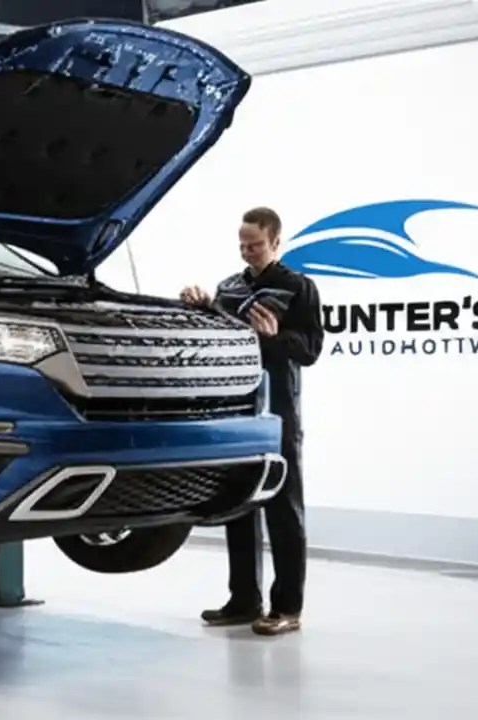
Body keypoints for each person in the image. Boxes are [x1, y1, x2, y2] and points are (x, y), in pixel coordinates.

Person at [179, 207, 324, 636]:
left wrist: (274, 339)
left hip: (276, 412)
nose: (247, 252)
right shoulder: (230, 287)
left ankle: (288, 608)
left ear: (276, 242)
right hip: (234, 412)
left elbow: (310, 348)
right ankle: (244, 600)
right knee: (237, 505)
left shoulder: (298, 288)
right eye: (242, 245)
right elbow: (218, 335)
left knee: (283, 510)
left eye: (255, 245)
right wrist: (202, 307)